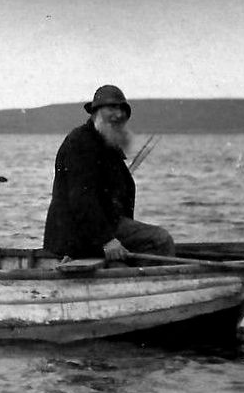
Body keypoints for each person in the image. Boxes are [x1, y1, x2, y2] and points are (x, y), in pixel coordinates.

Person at [42, 85, 175, 262]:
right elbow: (82, 201)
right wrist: (107, 241)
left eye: (122, 109)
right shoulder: (80, 143)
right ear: (96, 112)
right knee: (160, 240)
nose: (119, 114)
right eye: (112, 108)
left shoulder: (109, 144)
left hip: (100, 230)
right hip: (76, 238)